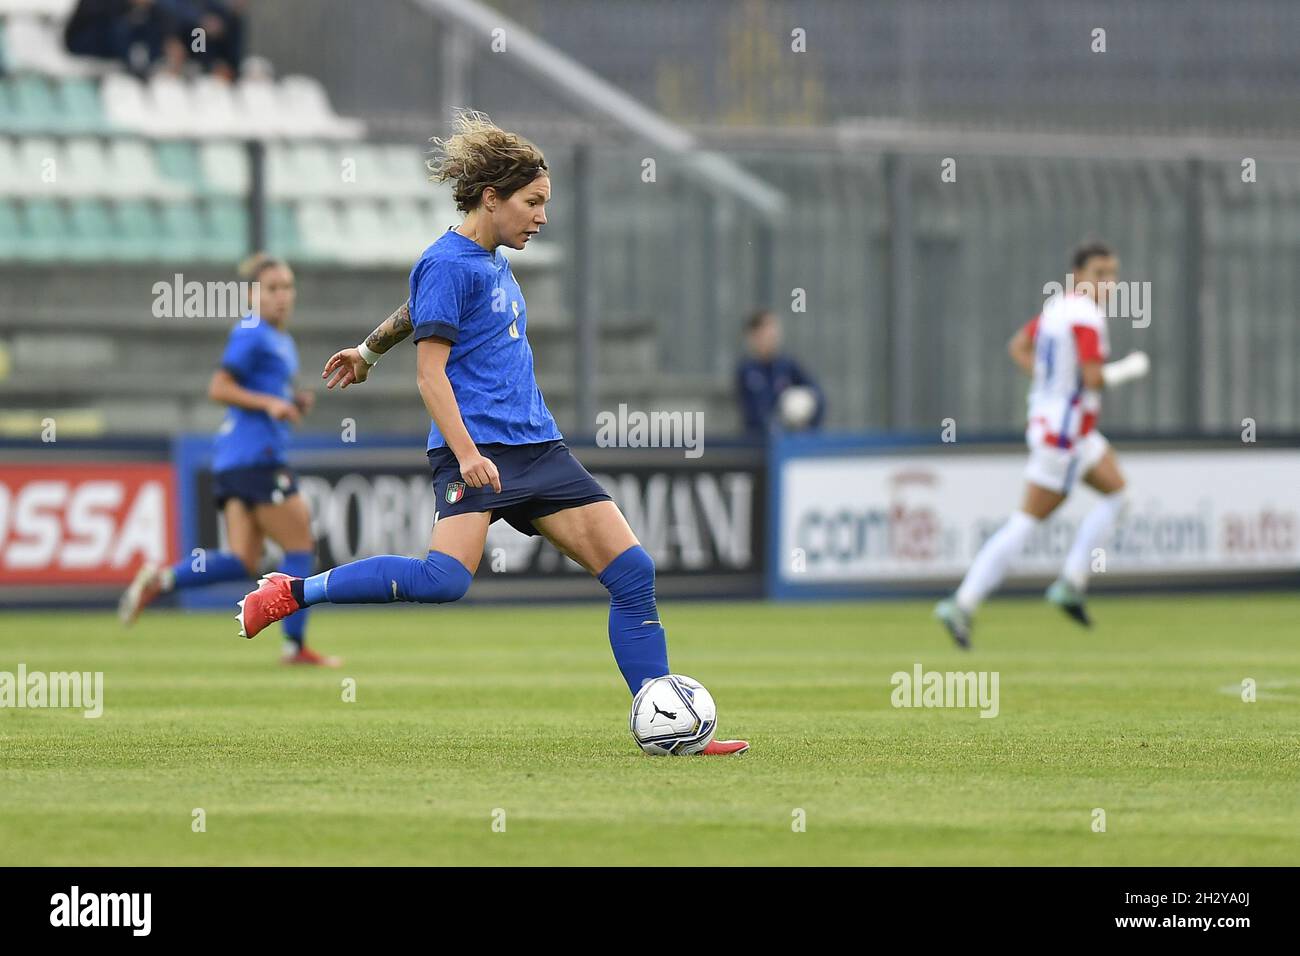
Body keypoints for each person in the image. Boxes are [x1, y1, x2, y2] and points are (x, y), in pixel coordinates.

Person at [233, 111, 748, 754]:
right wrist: (468, 454)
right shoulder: (446, 263)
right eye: (532, 203)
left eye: (545, 204)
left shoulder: (488, 258)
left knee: (632, 571)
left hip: (537, 445)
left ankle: (671, 725)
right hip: (477, 453)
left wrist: (368, 349)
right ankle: (292, 591)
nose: (541, 217)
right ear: (490, 198)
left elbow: (415, 315)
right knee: (443, 581)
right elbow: (431, 375)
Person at [119, 254, 339, 667]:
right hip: (258, 459)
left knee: (243, 559)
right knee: (299, 547)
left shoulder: (278, 339)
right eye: (272, 288)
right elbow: (219, 386)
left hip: (233, 462)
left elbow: (258, 393)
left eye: (288, 287)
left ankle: (162, 579)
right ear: (253, 294)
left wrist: (289, 402)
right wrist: (271, 402)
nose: (282, 297)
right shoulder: (252, 332)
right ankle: (294, 647)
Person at [934, 241, 1150, 648]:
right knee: (1026, 521)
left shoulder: (1057, 308)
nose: (1108, 283)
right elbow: (1093, 380)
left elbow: (1017, 346)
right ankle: (962, 602)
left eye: (1113, 274)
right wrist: (1130, 369)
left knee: (1121, 495)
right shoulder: (1086, 317)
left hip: (1067, 428)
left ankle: (1071, 581)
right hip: (1064, 435)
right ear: (1078, 276)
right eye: (1099, 274)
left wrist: (1048, 383)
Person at [735, 309, 825, 436]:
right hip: (759, 445)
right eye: (767, 332)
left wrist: (806, 417)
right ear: (754, 336)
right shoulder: (746, 371)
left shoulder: (788, 365)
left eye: (774, 331)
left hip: (791, 441)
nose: (773, 336)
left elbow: (817, 396)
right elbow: (752, 412)